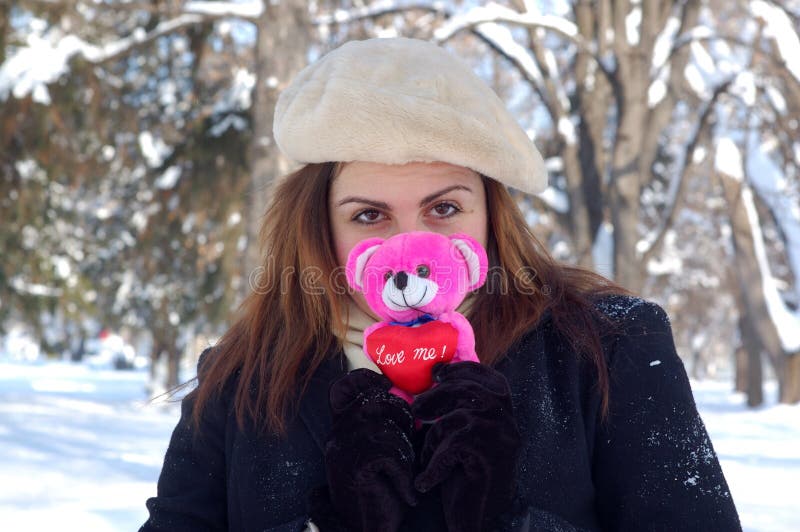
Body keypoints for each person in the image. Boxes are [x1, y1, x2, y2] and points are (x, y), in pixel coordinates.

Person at [139, 38, 741, 532]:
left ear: (490, 211)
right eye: (369, 215)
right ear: (319, 227)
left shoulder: (608, 344)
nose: (411, 247)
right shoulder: (242, 378)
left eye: (444, 208)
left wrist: (509, 520)